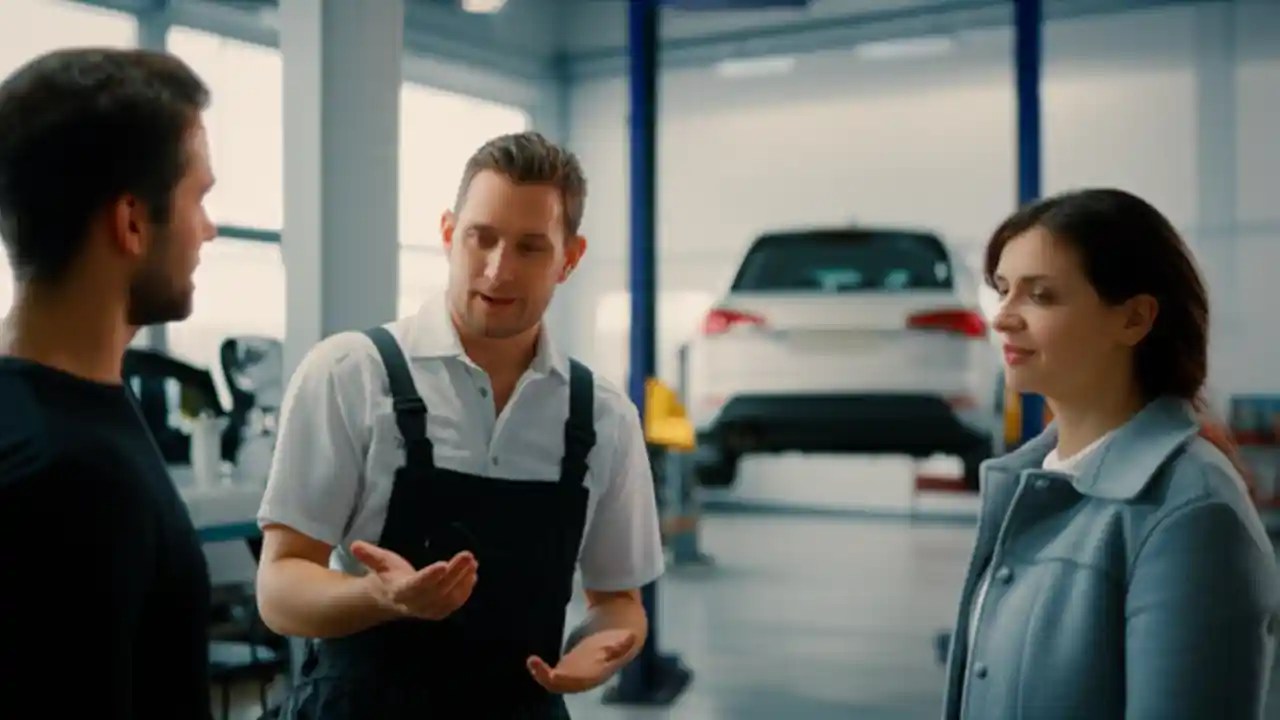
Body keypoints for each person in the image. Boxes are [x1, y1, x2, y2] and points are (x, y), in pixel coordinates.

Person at [256, 131, 665, 719]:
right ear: (449, 234)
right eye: (482, 238)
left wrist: (593, 651)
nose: (498, 270)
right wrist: (382, 596)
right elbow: (279, 589)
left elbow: (618, 601)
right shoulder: (350, 374)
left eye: (530, 248)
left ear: (569, 259)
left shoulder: (603, 417)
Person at [941, 187, 1280, 719]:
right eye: (1003, 290)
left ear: (1134, 319)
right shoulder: (1033, 481)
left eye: (1041, 296)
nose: (1003, 317)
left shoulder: (1191, 512)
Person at [0, 48, 217, 718]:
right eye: (198, 199)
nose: (207, 230)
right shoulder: (70, 478)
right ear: (131, 222)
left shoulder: (64, 419)